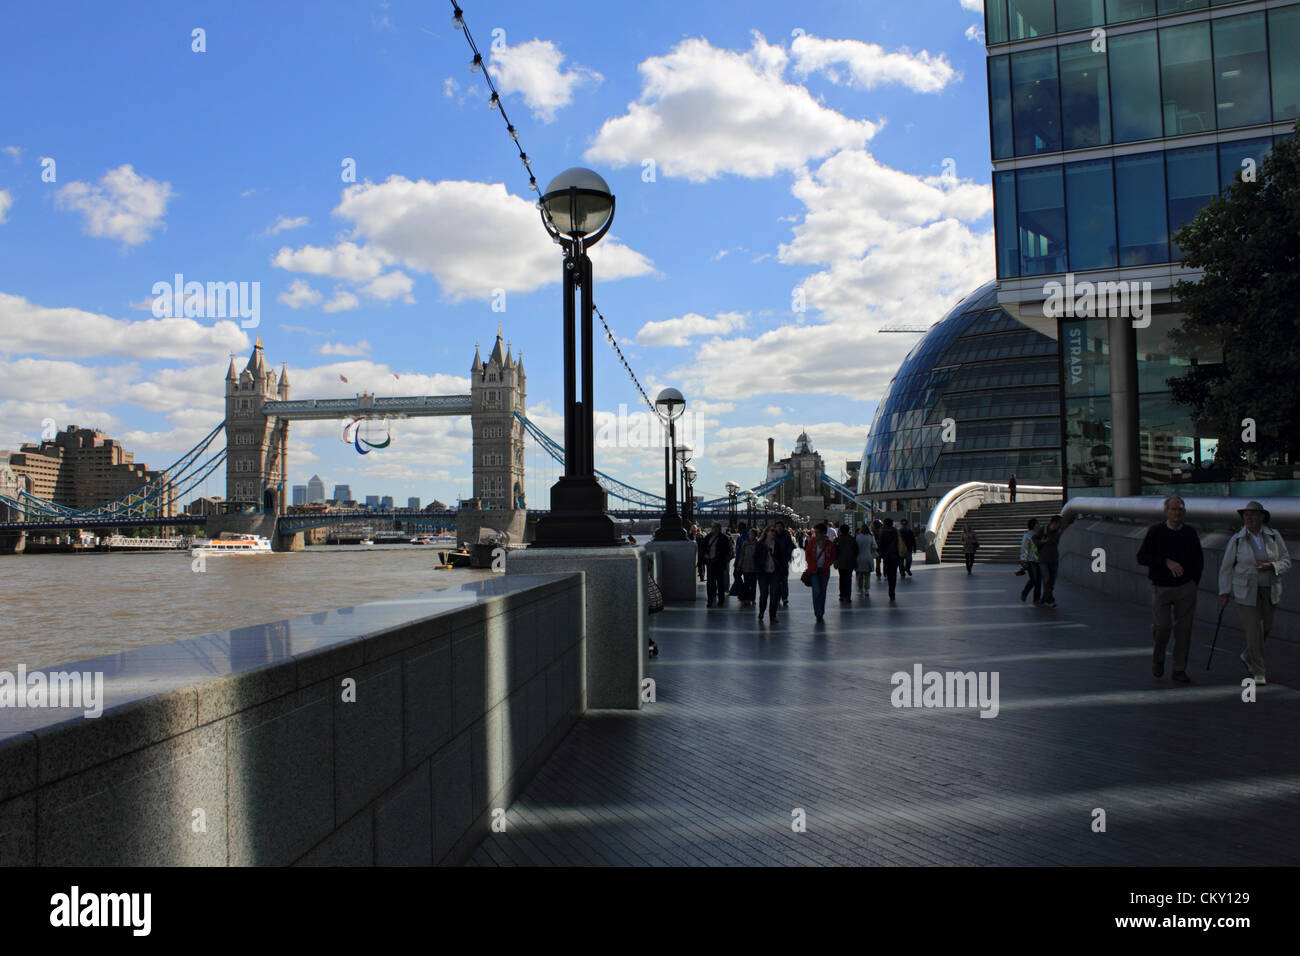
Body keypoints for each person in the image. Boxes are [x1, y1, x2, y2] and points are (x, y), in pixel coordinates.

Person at [1218, 501, 1291, 684]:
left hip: (1269, 588)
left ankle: (1247, 654)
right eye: (1246, 515)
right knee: (1254, 631)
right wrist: (1224, 592)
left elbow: (1286, 561)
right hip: (1246, 590)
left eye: (1253, 515)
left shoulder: (1273, 536)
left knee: (1266, 628)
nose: (1249, 518)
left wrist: (1271, 566)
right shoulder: (1237, 539)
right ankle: (1259, 671)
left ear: (1262, 517)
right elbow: (1226, 568)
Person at [1136, 495, 1204, 684]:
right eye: (1173, 509)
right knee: (1163, 627)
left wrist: (1193, 583)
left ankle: (1179, 668)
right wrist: (1165, 562)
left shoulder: (1190, 533)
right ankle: (1158, 659)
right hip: (1162, 587)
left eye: (1180, 509)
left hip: (1185, 588)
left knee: (1184, 630)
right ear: (1166, 512)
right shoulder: (1156, 532)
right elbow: (1142, 557)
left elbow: (1199, 560)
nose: (1177, 513)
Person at [804, 522, 836, 622]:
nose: (815, 534)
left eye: (817, 532)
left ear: (823, 533)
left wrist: (827, 565)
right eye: (815, 532)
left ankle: (821, 611)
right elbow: (807, 554)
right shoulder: (812, 541)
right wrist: (811, 565)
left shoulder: (829, 544)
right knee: (816, 591)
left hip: (824, 570)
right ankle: (817, 612)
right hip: (814, 570)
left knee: (823, 591)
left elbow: (833, 556)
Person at [753, 527, 783, 624]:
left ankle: (773, 616)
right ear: (766, 532)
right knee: (764, 594)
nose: (773, 533)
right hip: (763, 573)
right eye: (772, 531)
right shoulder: (760, 544)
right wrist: (758, 568)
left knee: (774, 595)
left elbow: (782, 558)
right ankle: (762, 611)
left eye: (775, 531)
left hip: (774, 572)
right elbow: (755, 557)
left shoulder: (777, 544)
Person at [1034, 515, 1062, 608]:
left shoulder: (1058, 532)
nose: (1060, 525)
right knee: (1047, 579)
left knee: (1051, 582)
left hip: (1054, 560)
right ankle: (1050, 600)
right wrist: (1042, 541)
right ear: (1054, 523)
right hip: (1043, 559)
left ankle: (1045, 598)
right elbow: (1034, 539)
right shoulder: (1043, 530)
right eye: (1059, 523)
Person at [703, 522, 733, 608]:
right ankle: (710, 600)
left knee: (720, 582)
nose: (713, 529)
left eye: (715, 527)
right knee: (710, 583)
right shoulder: (708, 537)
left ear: (718, 528)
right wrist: (705, 554)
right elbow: (703, 547)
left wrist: (717, 555)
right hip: (710, 562)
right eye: (712, 527)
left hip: (719, 563)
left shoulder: (724, 538)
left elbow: (726, 550)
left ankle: (721, 600)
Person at [772, 520, 795, 609]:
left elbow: (790, 546)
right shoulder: (773, 535)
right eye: (777, 526)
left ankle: (784, 598)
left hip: (784, 561)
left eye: (780, 526)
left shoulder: (786, 534)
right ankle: (777, 597)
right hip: (775, 561)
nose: (779, 528)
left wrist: (788, 557)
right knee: (776, 581)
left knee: (784, 580)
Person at [1018, 517, 1041, 604]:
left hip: (1039, 560)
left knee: (1039, 580)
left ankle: (1037, 598)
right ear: (1034, 525)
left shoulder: (1039, 535)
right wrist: (1024, 560)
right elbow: (1024, 548)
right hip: (1030, 561)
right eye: (1037, 523)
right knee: (1034, 579)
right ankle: (1025, 592)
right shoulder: (1027, 536)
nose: (1039, 525)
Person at [735, 522, 758, 607]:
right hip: (746, 566)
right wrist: (739, 565)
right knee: (747, 583)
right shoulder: (745, 543)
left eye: (752, 534)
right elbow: (741, 554)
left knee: (753, 584)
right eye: (750, 534)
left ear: (755, 535)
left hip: (754, 567)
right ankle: (747, 598)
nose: (750, 535)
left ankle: (752, 598)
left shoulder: (757, 544)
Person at [834, 522, 858, 603]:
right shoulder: (852, 539)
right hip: (850, 562)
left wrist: (835, 561)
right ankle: (848, 596)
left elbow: (835, 551)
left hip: (841, 562)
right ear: (848, 530)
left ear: (840, 530)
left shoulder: (837, 539)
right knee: (848, 579)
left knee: (842, 578)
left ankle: (842, 595)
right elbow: (856, 550)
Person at [878, 518, 901, 601]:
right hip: (895, 555)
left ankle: (890, 589)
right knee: (894, 573)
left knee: (889, 573)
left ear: (885, 524)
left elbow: (881, 545)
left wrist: (881, 555)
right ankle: (892, 590)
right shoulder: (896, 532)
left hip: (887, 556)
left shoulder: (883, 533)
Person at [854, 523, 876, 597]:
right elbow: (875, 546)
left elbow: (854, 547)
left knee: (860, 575)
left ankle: (860, 588)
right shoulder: (870, 537)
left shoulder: (857, 537)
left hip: (859, 557)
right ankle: (867, 589)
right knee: (867, 575)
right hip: (868, 557)